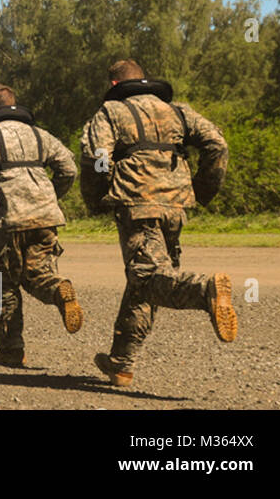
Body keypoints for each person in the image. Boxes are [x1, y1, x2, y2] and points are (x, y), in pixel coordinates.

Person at [79, 59, 235, 387]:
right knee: (144, 280)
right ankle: (121, 362)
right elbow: (217, 144)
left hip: (138, 202)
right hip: (177, 205)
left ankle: (202, 290)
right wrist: (202, 190)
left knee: (148, 277)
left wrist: (97, 193)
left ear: (113, 86)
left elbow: (98, 156)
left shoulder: (111, 112)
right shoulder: (177, 110)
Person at [0, 84, 81, 368]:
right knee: (38, 273)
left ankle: (11, 350)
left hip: (9, 221)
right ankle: (58, 288)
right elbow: (69, 169)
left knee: (3, 284)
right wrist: (52, 197)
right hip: (46, 218)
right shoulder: (42, 135)